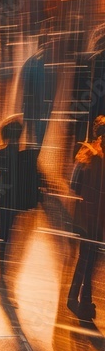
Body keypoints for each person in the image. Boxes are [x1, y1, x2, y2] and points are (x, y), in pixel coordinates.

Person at [0, 115, 39, 289]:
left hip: (3, 203)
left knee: (0, 237)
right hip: (17, 205)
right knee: (9, 239)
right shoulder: (28, 155)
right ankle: (3, 273)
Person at [67, 115, 105, 322]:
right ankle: (81, 300)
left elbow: (74, 184)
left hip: (86, 216)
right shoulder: (96, 157)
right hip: (96, 218)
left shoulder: (87, 154)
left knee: (87, 259)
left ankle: (78, 298)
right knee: (89, 260)